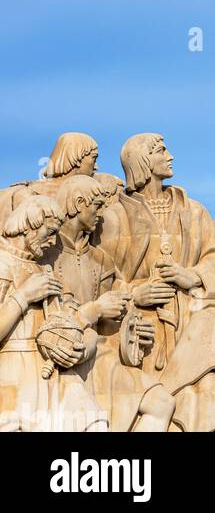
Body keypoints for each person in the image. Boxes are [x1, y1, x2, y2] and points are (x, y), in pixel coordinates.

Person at [98, 134, 215, 432]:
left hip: (195, 309)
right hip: (142, 323)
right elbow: (101, 278)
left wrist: (192, 276)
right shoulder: (115, 216)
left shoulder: (194, 210)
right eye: (161, 151)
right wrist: (136, 293)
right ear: (143, 162)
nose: (171, 156)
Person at [49, 175, 174, 432]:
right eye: (97, 206)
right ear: (78, 203)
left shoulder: (101, 259)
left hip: (103, 356)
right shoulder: (47, 255)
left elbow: (122, 301)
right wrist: (94, 311)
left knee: (161, 402)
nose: (102, 213)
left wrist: (136, 328)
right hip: (64, 356)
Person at [0, 196, 106, 432]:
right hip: (13, 375)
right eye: (49, 232)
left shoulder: (43, 269)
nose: (52, 241)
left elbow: (71, 317)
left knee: (94, 419)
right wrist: (24, 296)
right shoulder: (2, 264)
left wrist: (80, 349)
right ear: (31, 224)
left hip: (52, 374)